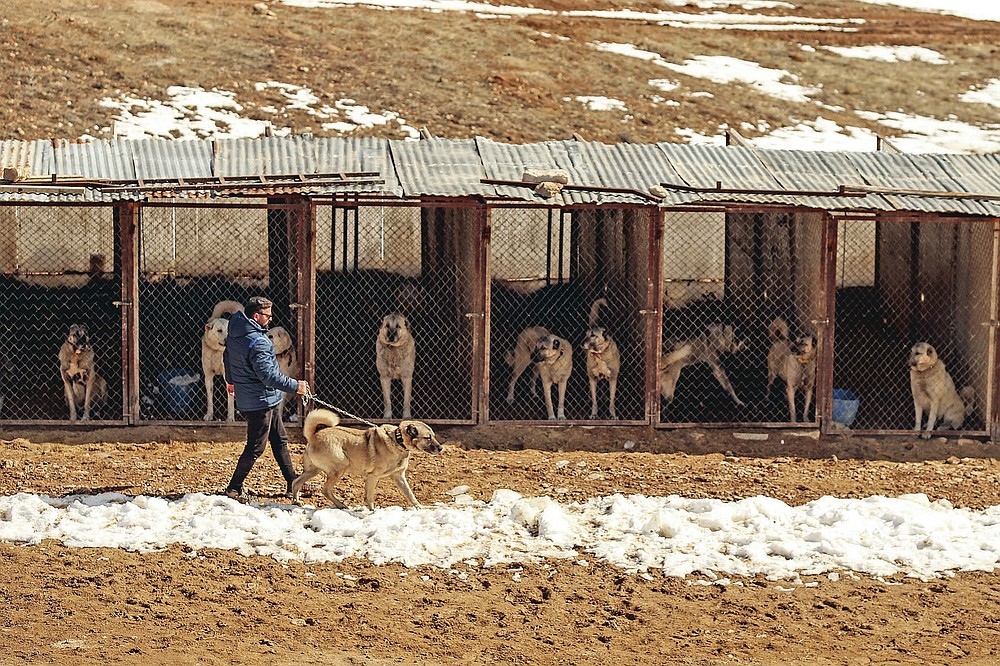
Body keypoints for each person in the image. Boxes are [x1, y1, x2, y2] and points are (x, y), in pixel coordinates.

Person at [222, 296, 307, 501]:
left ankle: (292, 482)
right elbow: (268, 376)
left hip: (260, 398)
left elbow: (227, 357)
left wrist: (231, 381)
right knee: (255, 447)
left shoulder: (235, 332)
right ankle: (233, 488)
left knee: (279, 440)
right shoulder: (259, 342)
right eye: (267, 315)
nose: (270, 319)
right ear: (256, 315)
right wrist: (296, 386)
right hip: (260, 401)